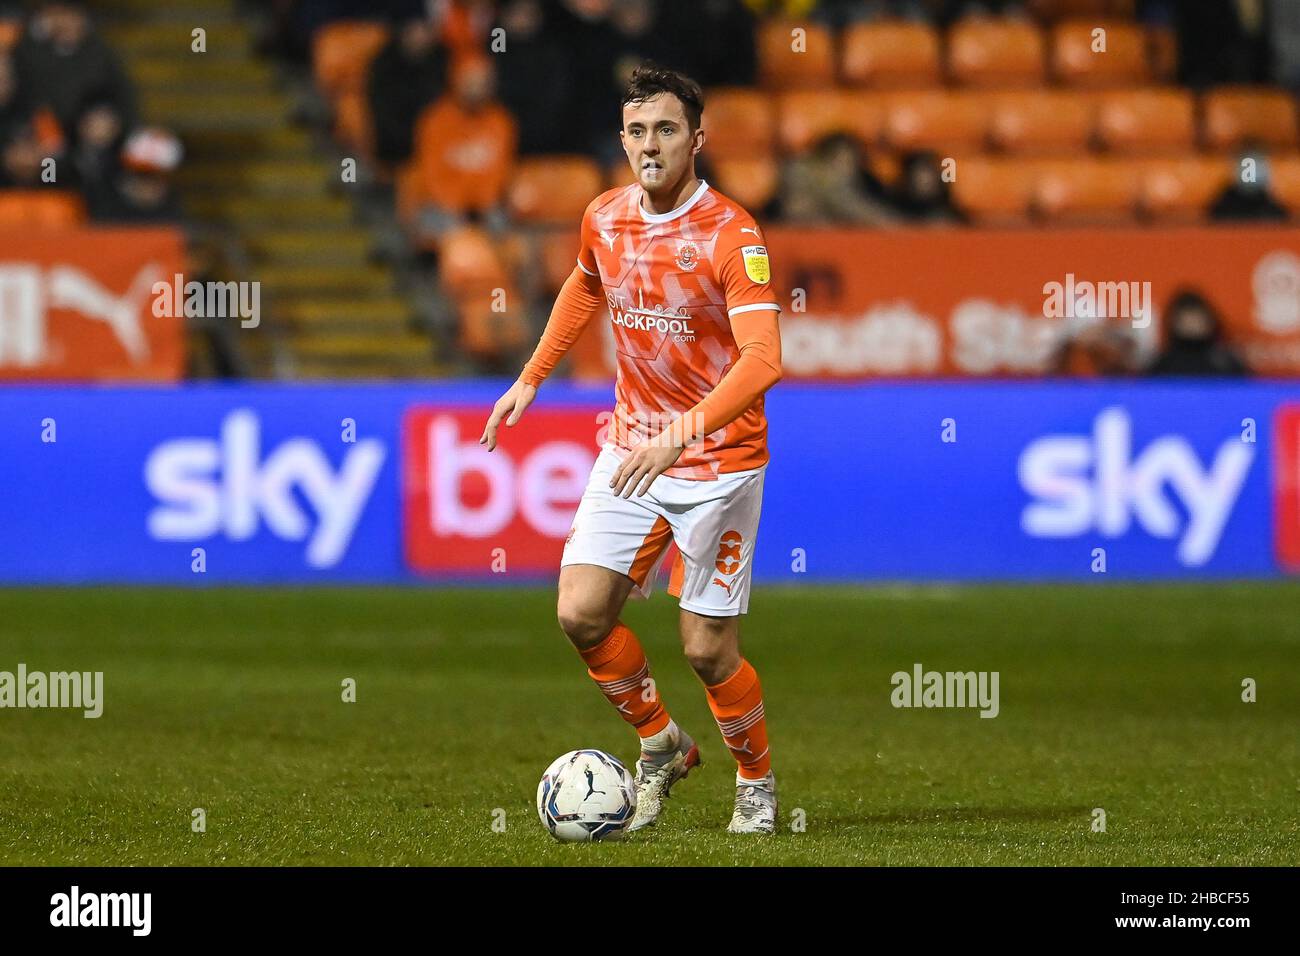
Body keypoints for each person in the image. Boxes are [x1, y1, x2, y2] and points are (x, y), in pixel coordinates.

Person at [480, 65, 783, 834]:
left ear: (697, 140)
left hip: (718, 465)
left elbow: (762, 360)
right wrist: (530, 378)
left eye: (667, 130)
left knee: (707, 651)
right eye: (638, 131)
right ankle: (662, 743)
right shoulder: (605, 216)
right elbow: (585, 287)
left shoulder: (732, 234)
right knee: (580, 613)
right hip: (631, 446)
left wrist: (682, 432)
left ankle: (756, 782)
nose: (651, 145)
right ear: (622, 140)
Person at [1147, 290, 1249, 376]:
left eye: (1197, 319)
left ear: (1210, 321)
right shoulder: (1162, 365)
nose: (1192, 325)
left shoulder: (1226, 363)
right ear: (1174, 323)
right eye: (1186, 320)